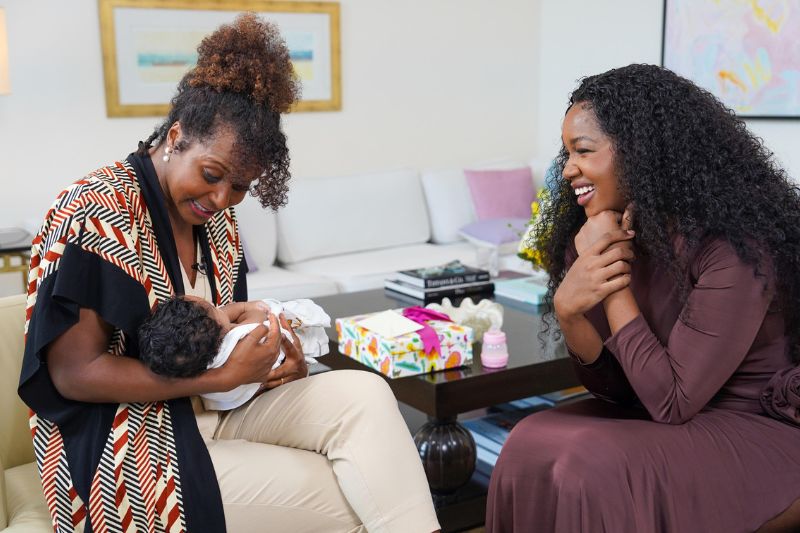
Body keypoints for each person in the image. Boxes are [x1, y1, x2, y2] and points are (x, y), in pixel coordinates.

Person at [19, 13, 440, 533]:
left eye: (240, 186)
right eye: (212, 175)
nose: (220, 200)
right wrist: (221, 375)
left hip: (216, 409)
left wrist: (269, 355)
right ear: (176, 137)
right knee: (350, 497)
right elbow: (73, 374)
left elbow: (214, 331)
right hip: (125, 441)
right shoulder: (95, 210)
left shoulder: (219, 224)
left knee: (366, 396)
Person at [486, 64, 800, 532]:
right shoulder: (605, 230)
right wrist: (569, 313)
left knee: (590, 463)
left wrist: (610, 281)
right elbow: (618, 388)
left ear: (641, 154)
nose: (567, 169)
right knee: (527, 439)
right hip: (660, 408)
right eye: (566, 152)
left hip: (752, 427)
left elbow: (672, 402)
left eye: (583, 151)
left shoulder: (734, 247)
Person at [138, 295, 330, 410]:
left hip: (231, 404)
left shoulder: (194, 359)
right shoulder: (238, 339)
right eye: (214, 308)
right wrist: (244, 308)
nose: (220, 307)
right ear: (223, 330)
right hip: (265, 392)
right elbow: (259, 316)